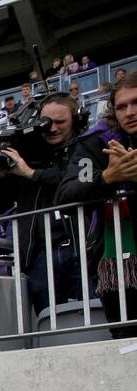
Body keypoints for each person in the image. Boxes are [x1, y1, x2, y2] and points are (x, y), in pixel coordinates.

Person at [0, 92, 86, 314]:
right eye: (46, 123)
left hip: (83, 249)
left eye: (60, 122)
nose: (52, 128)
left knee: (93, 316)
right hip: (39, 255)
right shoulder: (25, 154)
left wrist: (31, 173)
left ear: (76, 119)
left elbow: (77, 182)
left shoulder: (85, 147)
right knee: (49, 321)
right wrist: (1, 176)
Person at [58, 74, 137, 336]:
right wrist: (108, 178)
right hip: (116, 266)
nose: (130, 112)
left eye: (135, 103)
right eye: (122, 106)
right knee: (126, 345)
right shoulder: (95, 145)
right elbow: (67, 196)